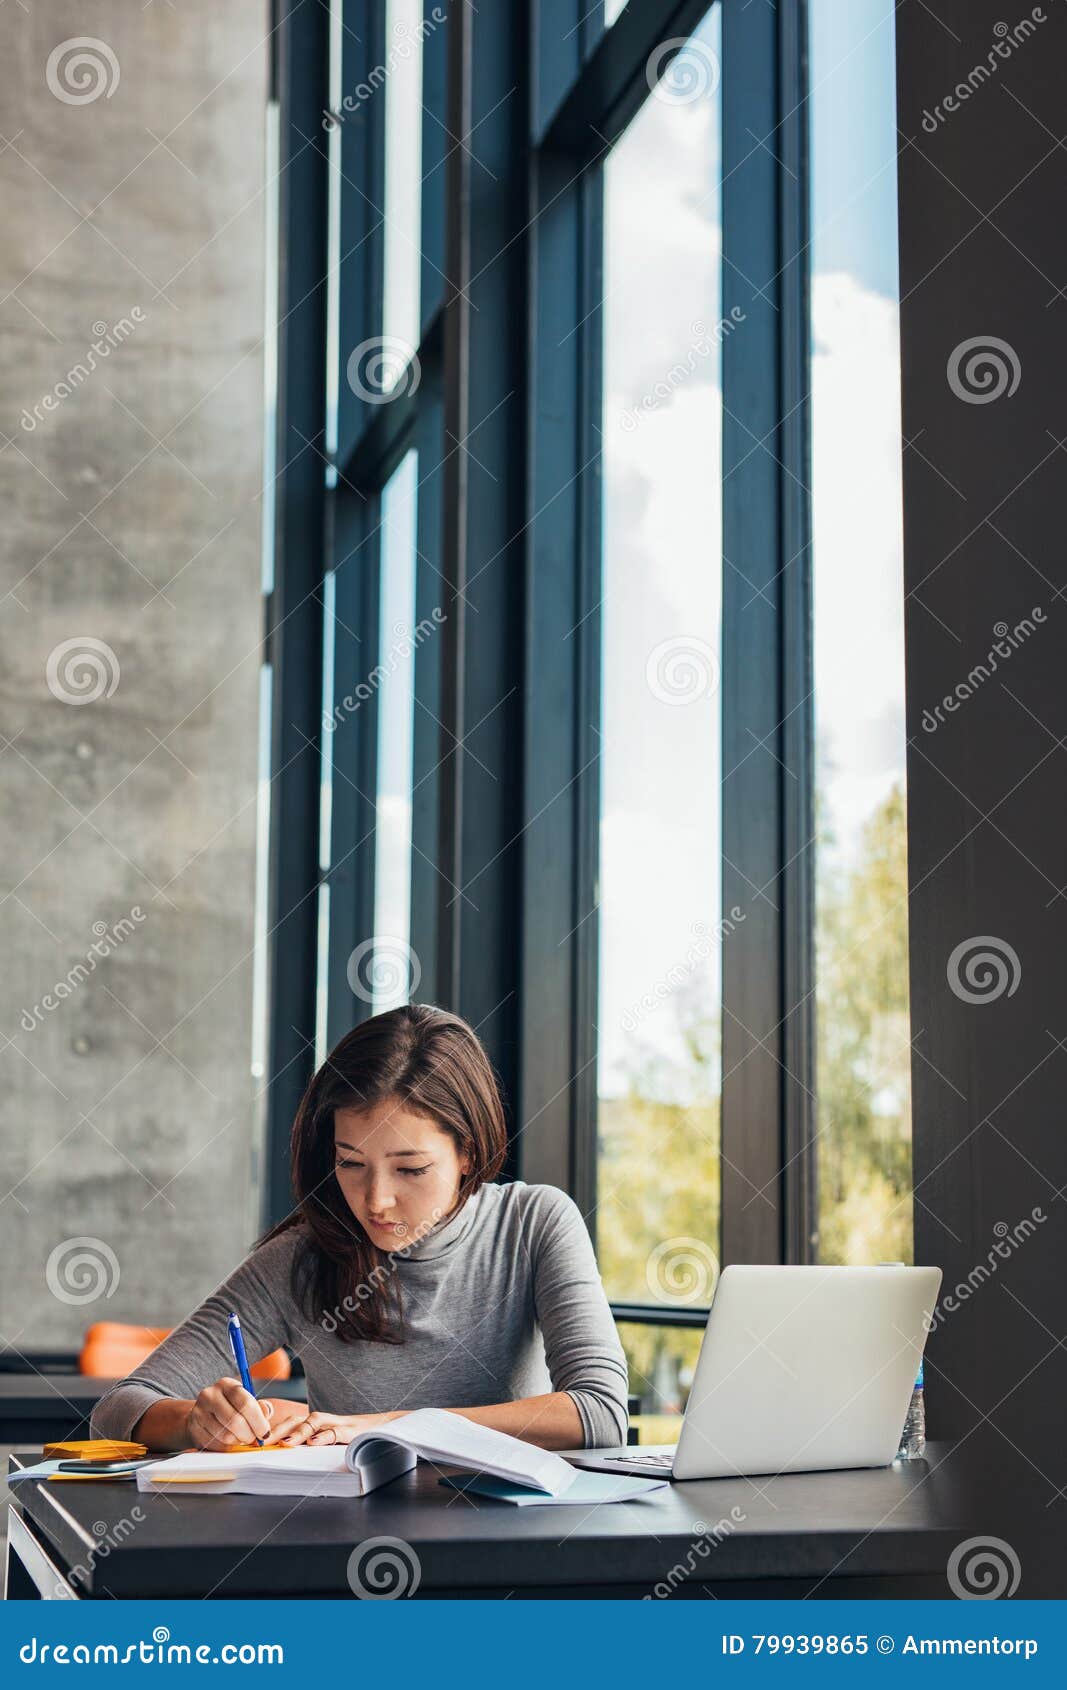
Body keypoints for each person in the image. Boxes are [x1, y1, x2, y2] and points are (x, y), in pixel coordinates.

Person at [91, 1004, 629, 1453]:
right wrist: (193, 1421)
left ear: (468, 1151)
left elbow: (600, 1413)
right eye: (350, 1163)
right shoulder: (302, 1257)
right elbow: (120, 1407)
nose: (376, 1201)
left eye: (410, 1169)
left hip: (509, 1540)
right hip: (348, 1544)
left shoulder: (534, 1224)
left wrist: (382, 1426)